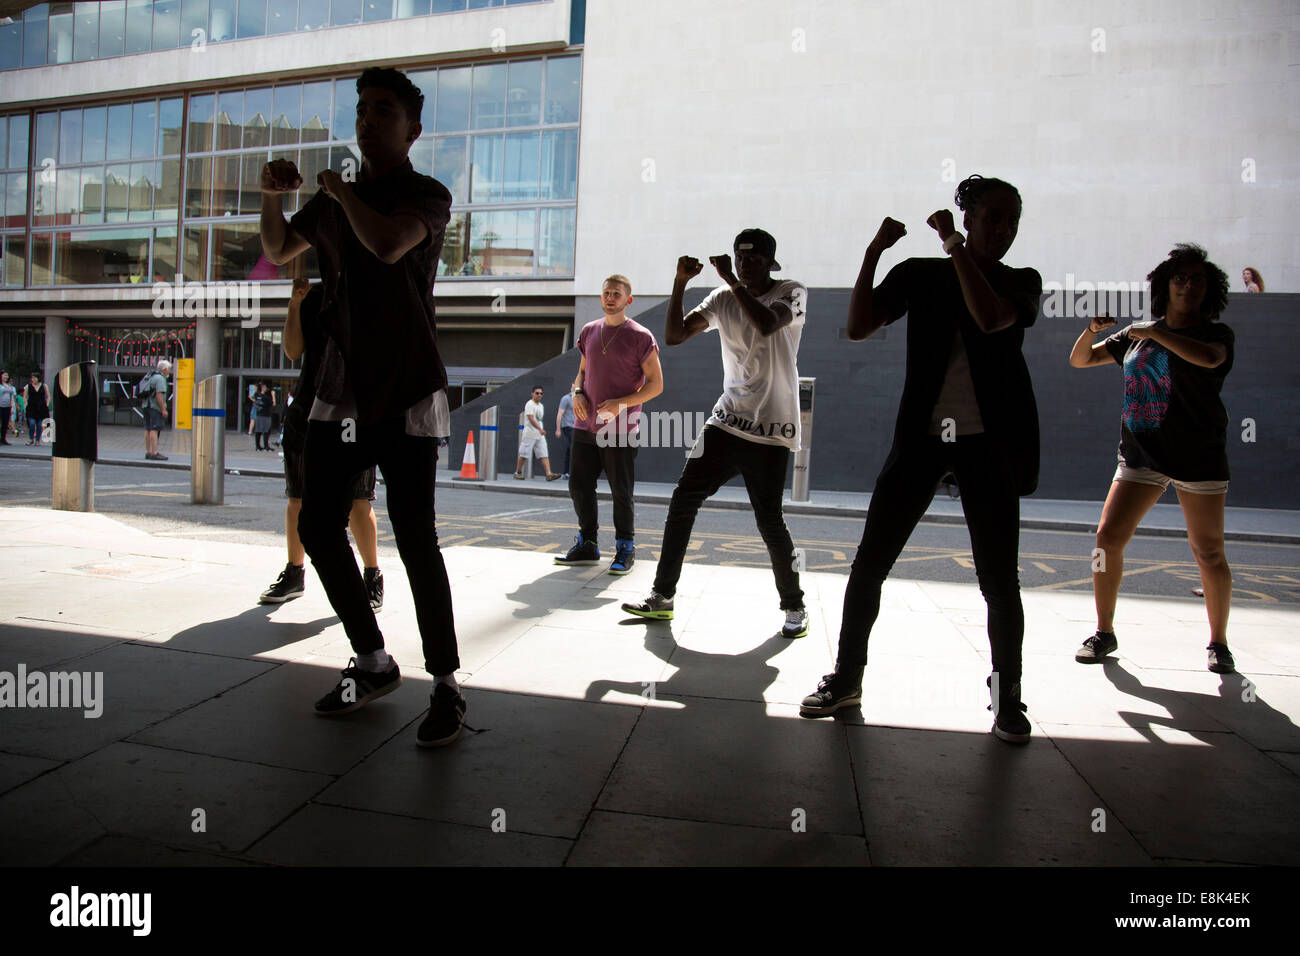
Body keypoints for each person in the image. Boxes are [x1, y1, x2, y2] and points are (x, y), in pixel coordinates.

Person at [260, 66, 467, 746]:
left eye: (384, 110)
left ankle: (446, 687)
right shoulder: (333, 200)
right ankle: (373, 658)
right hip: (337, 387)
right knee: (319, 527)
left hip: (406, 389)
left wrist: (339, 192)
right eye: (362, 109)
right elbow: (279, 247)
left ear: (413, 128)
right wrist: (270, 196)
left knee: (415, 539)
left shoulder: (425, 195)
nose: (368, 119)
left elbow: (385, 244)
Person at [797, 176, 1043, 746]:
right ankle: (847, 680)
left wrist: (956, 246)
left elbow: (989, 318)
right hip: (923, 438)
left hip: (990, 443)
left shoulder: (1019, 282)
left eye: (1013, 222)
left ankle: (1008, 699)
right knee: (870, 563)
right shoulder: (920, 275)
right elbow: (859, 328)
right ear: (972, 216)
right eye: (994, 219)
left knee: (1000, 582)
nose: (1003, 231)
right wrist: (872, 254)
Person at [622, 229, 810, 638]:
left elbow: (765, 324)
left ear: (769, 263)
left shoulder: (791, 293)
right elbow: (673, 336)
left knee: (769, 520)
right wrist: (679, 283)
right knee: (683, 498)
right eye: (739, 258)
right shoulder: (724, 299)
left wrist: (729, 280)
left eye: (754, 259)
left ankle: (794, 606)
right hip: (726, 420)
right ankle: (662, 596)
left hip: (772, 428)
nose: (744, 265)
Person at [1069, 243, 1236, 674]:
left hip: (1198, 456)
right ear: (1165, 285)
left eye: (1197, 278)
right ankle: (1104, 632)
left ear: (1208, 289)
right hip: (1142, 455)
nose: (1188, 284)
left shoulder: (1214, 335)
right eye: (1180, 277)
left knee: (1209, 552)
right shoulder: (1134, 337)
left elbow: (1207, 359)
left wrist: (1154, 332)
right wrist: (1091, 330)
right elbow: (1081, 359)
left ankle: (1218, 642)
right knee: (1107, 540)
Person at [260, 278, 384, 611]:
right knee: (297, 496)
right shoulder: (313, 295)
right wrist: (294, 304)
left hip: (351, 411)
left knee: (358, 498)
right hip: (307, 407)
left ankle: (371, 576)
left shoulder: (368, 291)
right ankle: (295, 572)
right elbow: (292, 350)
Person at [554, 275, 663, 575]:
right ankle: (588, 543)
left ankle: (625, 547)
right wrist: (577, 392)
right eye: (606, 293)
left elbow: (656, 385)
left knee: (621, 491)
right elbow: (581, 372)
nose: (610, 297)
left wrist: (620, 403)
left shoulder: (641, 337)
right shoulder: (589, 331)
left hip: (620, 429)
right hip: (584, 425)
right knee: (578, 485)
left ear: (628, 300)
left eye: (616, 293)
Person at [515, 386, 561, 480]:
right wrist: (540, 429)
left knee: (544, 453)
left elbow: (539, 419)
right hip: (530, 433)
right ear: (532, 393)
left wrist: (540, 430)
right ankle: (517, 472)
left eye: (541, 393)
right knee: (524, 454)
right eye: (537, 393)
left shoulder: (541, 405)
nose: (539, 395)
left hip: (539, 435)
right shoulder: (529, 404)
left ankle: (549, 474)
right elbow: (531, 418)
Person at [138, 359, 171, 460]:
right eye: (169, 369)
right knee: (154, 429)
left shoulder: (150, 376)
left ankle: (148, 452)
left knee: (148, 429)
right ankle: (155, 452)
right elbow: (159, 395)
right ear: (164, 369)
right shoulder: (160, 378)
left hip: (146, 406)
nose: (169, 371)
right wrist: (163, 409)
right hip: (154, 407)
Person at [23, 371, 51, 446]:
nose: (33, 379)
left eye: (34, 377)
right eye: (32, 378)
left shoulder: (44, 386)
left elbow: (48, 396)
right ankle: (31, 438)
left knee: (39, 425)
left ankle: (37, 440)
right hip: (31, 407)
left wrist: (47, 404)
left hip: (41, 407)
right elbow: (25, 397)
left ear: (38, 378)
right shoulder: (28, 386)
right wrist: (26, 405)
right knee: (32, 423)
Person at [554, 385, 576, 478]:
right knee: (573, 448)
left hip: (576, 427)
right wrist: (558, 429)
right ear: (571, 386)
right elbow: (560, 414)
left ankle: (566, 472)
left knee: (569, 449)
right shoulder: (566, 399)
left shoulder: (579, 399)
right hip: (568, 426)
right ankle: (571, 472)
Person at [253, 381, 276, 450]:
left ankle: (257, 446)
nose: (266, 388)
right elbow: (273, 404)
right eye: (265, 387)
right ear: (262, 388)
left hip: (259, 415)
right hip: (266, 415)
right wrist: (273, 395)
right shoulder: (266, 398)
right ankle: (266, 446)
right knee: (266, 431)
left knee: (258, 431)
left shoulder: (256, 395)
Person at [0, 371, 15, 444]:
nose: (6, 377)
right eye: (5, 375)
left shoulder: (9, 386)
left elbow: (12, 397)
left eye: (7, 375)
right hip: (0, 406)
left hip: (7, 407)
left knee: (5, 423)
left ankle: (3, 439)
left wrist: (12, 407)